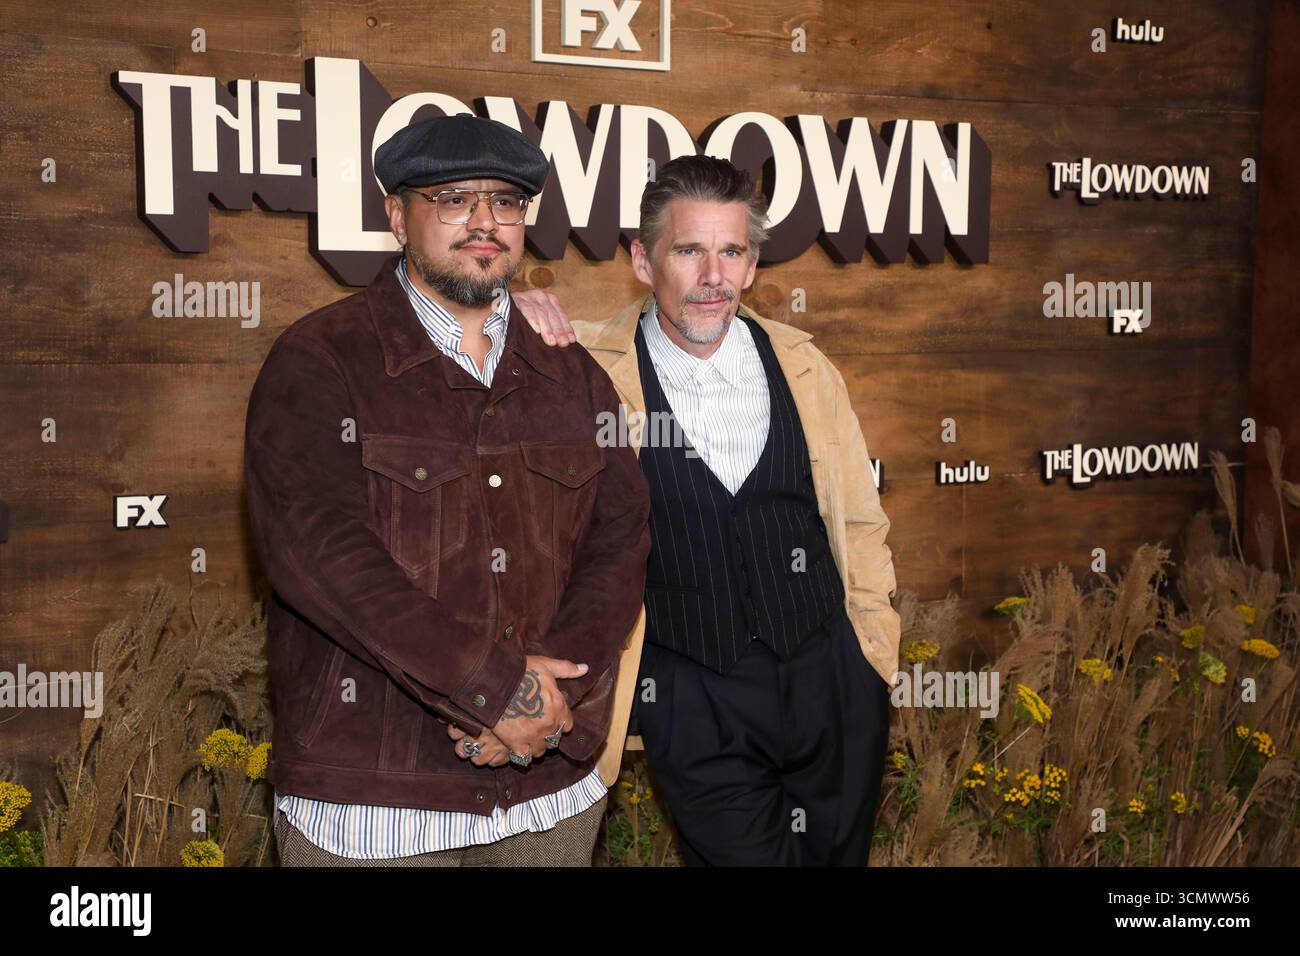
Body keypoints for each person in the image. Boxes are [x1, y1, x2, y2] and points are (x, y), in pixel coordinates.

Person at [243, 114, 650, 866]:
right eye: (456, 199)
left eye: (507, 201)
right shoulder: (321, 360)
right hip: (376, 799)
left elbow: (619, 541)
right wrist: (493, 691)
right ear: (397, 215)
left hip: (550, 791)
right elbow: (324, 559)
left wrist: (549, 696)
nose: (485, 222)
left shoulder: (573, 375)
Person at [513, 154, 901, 865]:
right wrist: (505, 316)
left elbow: (858, 521)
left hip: (833, 683)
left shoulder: (806, 366)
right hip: (692, 694)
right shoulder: (588, 368)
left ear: (753, 266)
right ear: (641, 259)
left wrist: (872, 653)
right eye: (689, 250)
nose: (713, 277)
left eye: (732, 251)